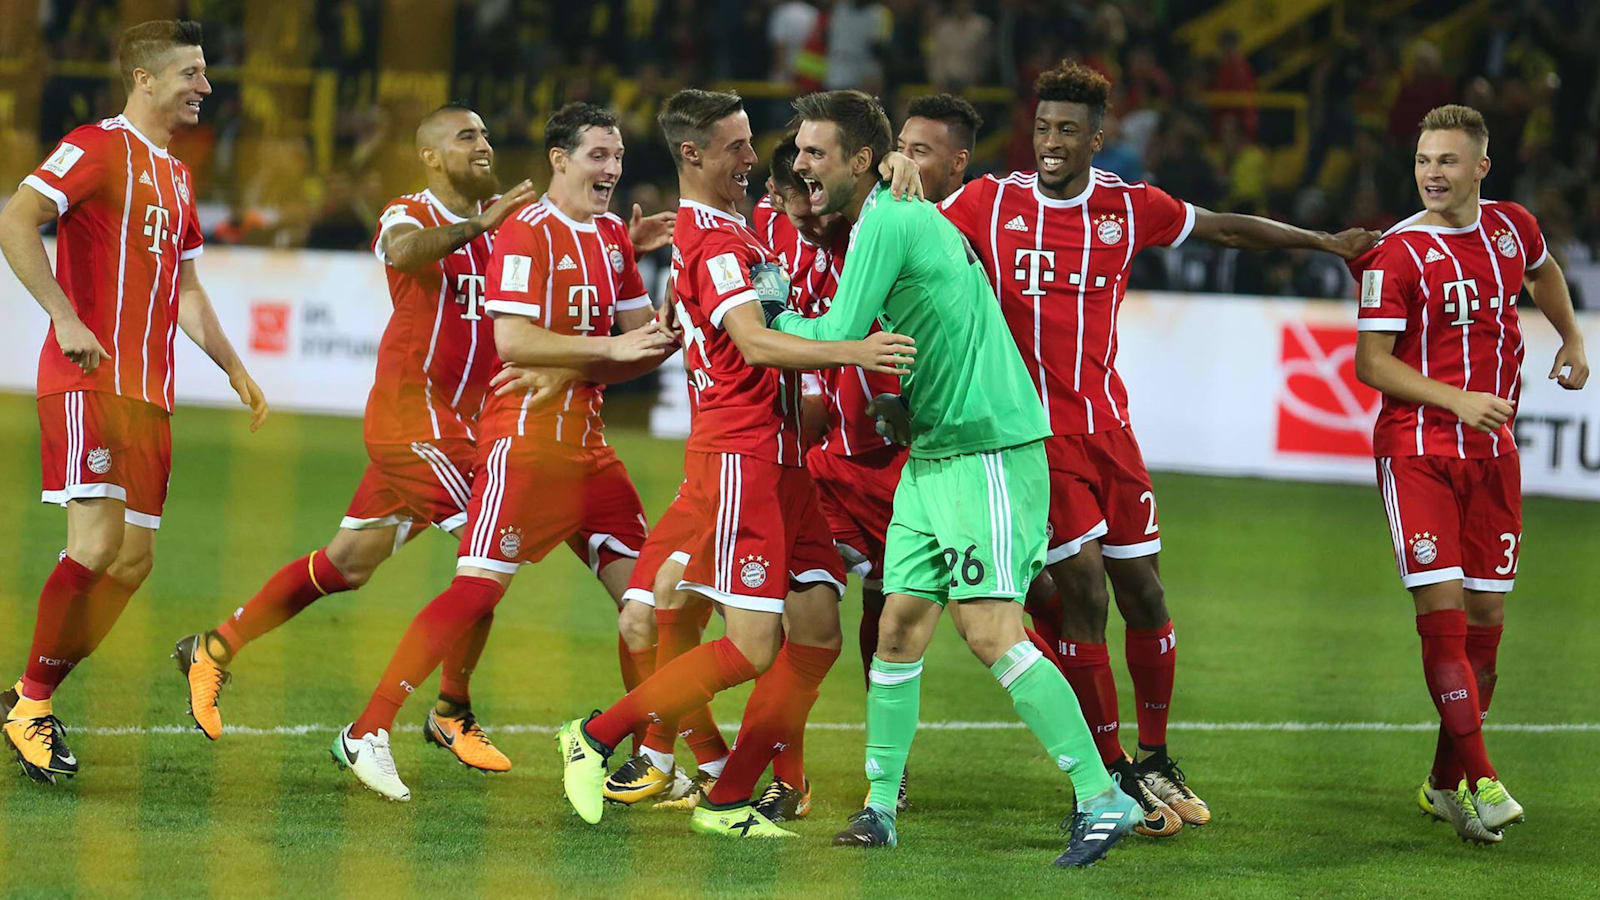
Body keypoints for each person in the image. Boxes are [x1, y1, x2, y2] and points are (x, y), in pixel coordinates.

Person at [936, 61, 1378, 832]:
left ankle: (1156, 757)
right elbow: (902, 241)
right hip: (1034, 438)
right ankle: (1108, 775)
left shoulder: (1126, 206)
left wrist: (1325, 242)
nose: (1051, 142)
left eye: (1068, 130)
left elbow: (1229, 228)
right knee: (1086, 596)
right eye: (1042, 128)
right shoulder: (988, 201)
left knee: (1145, 594)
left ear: (1096, 139)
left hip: (1111, 431)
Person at [769, 88, 1136, 868]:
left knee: (989, 630)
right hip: (935, 453)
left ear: (861, 160)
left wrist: (765, 318)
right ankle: (878, 808)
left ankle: (1103, 795)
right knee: (899, 623)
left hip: (987, 453)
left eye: (815, 152)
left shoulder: (892, 220)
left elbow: (836, 333)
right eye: (797, 150)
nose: (801, 163)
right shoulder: (889, 216)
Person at [555, 88, 917, 839]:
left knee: (815, 631)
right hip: (741, 457)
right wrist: (852, 351)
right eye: (737, 146)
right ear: (692, 154)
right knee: (751, 643)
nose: (755, 159)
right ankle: (596, 737)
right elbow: (753, 342)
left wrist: (891, 173)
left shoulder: (743, 234)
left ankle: (729, 799)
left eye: (753, 143)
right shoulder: (716, 245)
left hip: (787, 461)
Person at [168, 105, 538, 770]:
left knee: (346, 564)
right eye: (466, 135)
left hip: (468, 429)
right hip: (413, 421)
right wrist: (475, 225)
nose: (483, 144)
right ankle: (447, 712)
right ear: (430, 155)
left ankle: (213, 648)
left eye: (486, 133)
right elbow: (398, 250)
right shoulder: (411, 212)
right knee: (488, 553)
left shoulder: (505, 235)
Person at [328, 102, 679, 801]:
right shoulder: (525, 231)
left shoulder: (613, 237)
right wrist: (603, 350)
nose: (610, 170)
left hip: (590, 450)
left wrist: (665, 329)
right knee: (477, 589)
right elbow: (512, 341)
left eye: (617, 158)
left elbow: (646, 342)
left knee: (647, 600)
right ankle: (367, 730)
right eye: (596, 156)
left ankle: (655, 758)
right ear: (559, 159)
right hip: (524, 443)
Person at [0, 19, 268, 784]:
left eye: (206, 73)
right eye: (192, 73)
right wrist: (63, 314)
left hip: (150, 396)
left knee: (132, 562)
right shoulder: (95, 145)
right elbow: (16, 220)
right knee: (93, 546)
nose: (205, 88)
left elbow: (183, 290)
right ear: (145, 78)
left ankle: (26, 692)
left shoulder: (178, 177)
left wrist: (232, 364)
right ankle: (33, 708)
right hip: (89, 379)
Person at [1351, 103, 1588, 843]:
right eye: (1424, 161)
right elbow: (1371, 362)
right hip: (1417, 452)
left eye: (1448, 161)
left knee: (1487, 626)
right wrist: (1458, 399)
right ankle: (1483, 780)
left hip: (1492, 459)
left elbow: (1544, 273)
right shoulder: (1396, 252)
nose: (1432, 174)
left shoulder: (1513, 226)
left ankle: (1443, 784)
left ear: (1480, 167)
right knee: (1445, 617)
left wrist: (1572, 338)